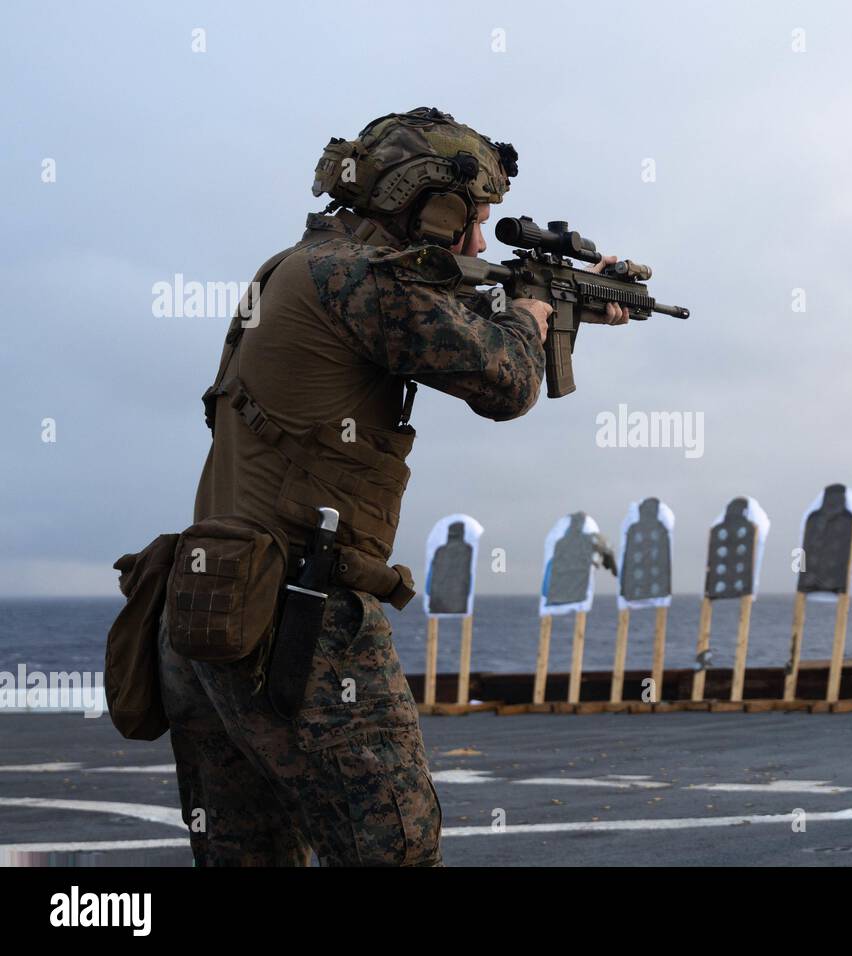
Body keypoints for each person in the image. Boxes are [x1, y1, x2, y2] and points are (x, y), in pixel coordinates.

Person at [159, 107, 625, 866]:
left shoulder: (296, 267)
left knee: (249, 855)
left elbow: (433, 309)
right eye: (470, 221)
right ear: (423, 204)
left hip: (211, 600)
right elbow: (505, 382)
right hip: (297, 615)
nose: (478, 242)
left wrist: (554, 300)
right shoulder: (361, 279)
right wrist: (536, 315)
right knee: (394, 849)